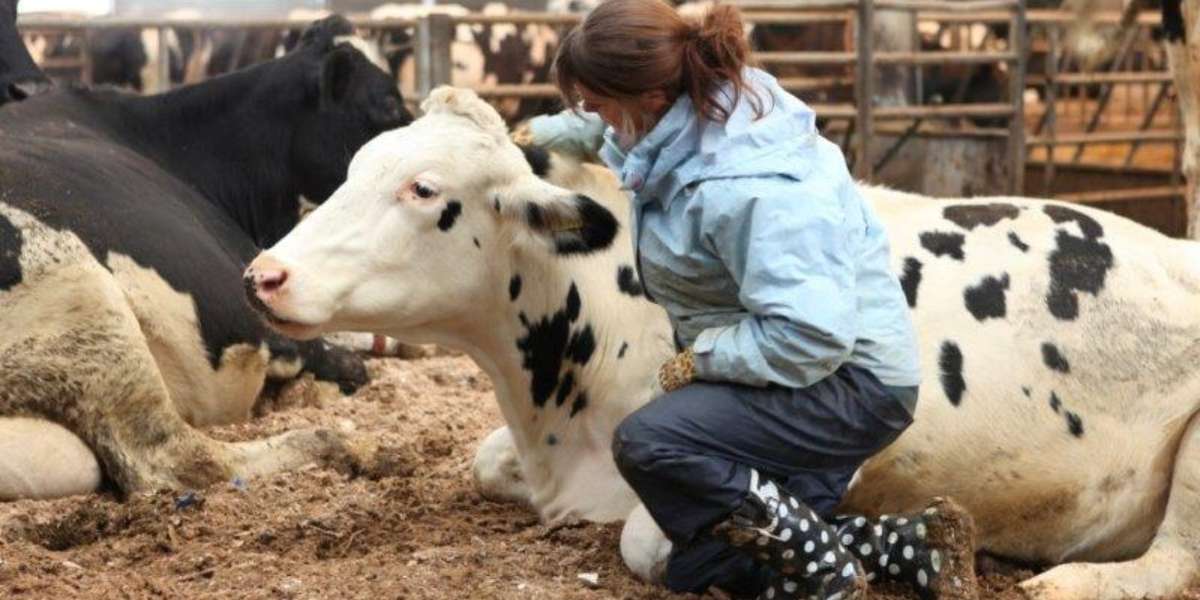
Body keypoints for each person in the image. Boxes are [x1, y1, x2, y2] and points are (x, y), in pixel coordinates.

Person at [527, 1, 981, 599]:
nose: (597, 119)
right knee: (701, 567)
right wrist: (525, 139)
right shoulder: (705, 102)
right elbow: (609, 134)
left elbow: (811, 335)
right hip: (797, 376)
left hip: (848, 384)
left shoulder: (747, 189)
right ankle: (907, 545)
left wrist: (701, 360)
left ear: (650, 98)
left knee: (649, 442)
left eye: (599, 103)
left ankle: (825, 573)